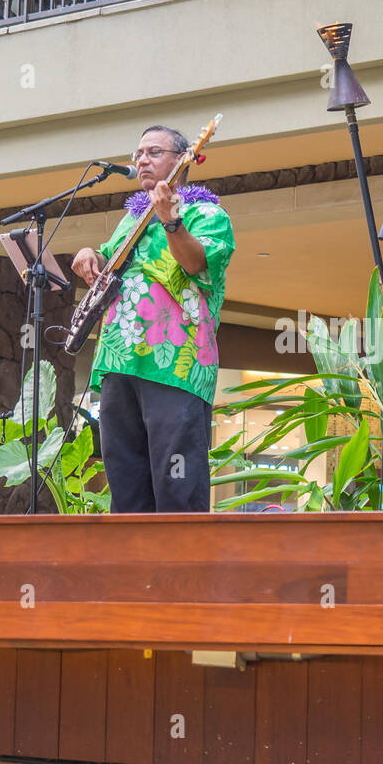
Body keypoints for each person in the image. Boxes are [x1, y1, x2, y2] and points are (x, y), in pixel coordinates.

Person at [71, 126, 235, 512]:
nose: (142, 160)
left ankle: (182, 573)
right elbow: (108, 257)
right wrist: (87, 253)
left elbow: (197, 263)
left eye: (154, 152)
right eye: (138, 153)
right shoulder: (131, 219)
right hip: (119, 362)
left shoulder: (208, 214)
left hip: (174, 365)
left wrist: (171, 221)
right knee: (125, 487)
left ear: (183, 160)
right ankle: (132, 572)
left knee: (177, 488)